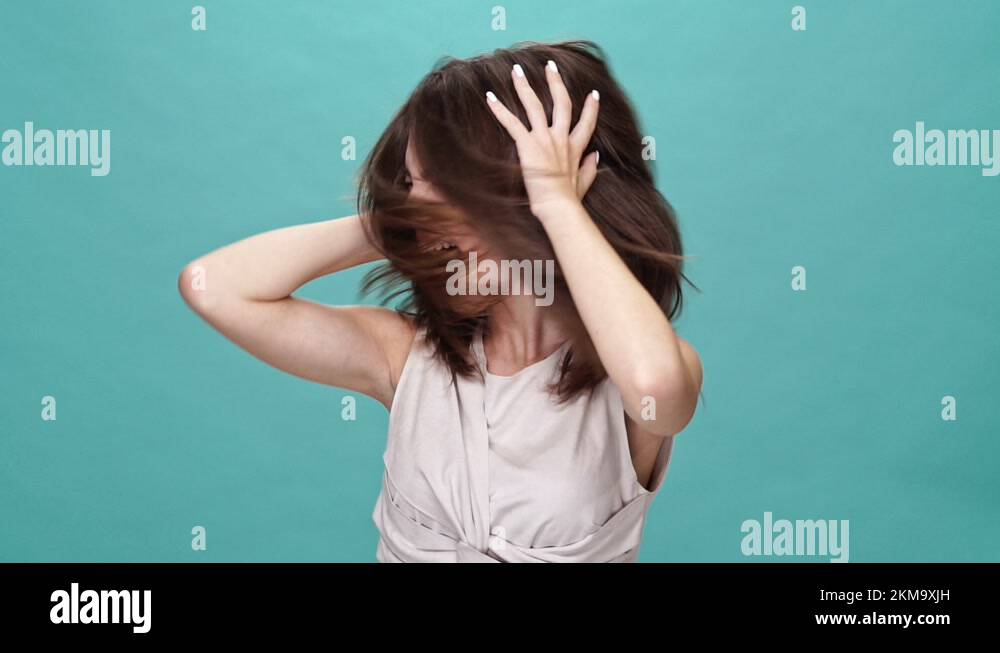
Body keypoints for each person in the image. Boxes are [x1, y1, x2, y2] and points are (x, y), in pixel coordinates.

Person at [178, 40, 704, 562]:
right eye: (411, 182)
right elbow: (212, 287)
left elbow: (657, 384)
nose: (418, 204)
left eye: (448, 184)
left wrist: (556, 204)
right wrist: (403, 220)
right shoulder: (405, 356)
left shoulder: (632, 385)